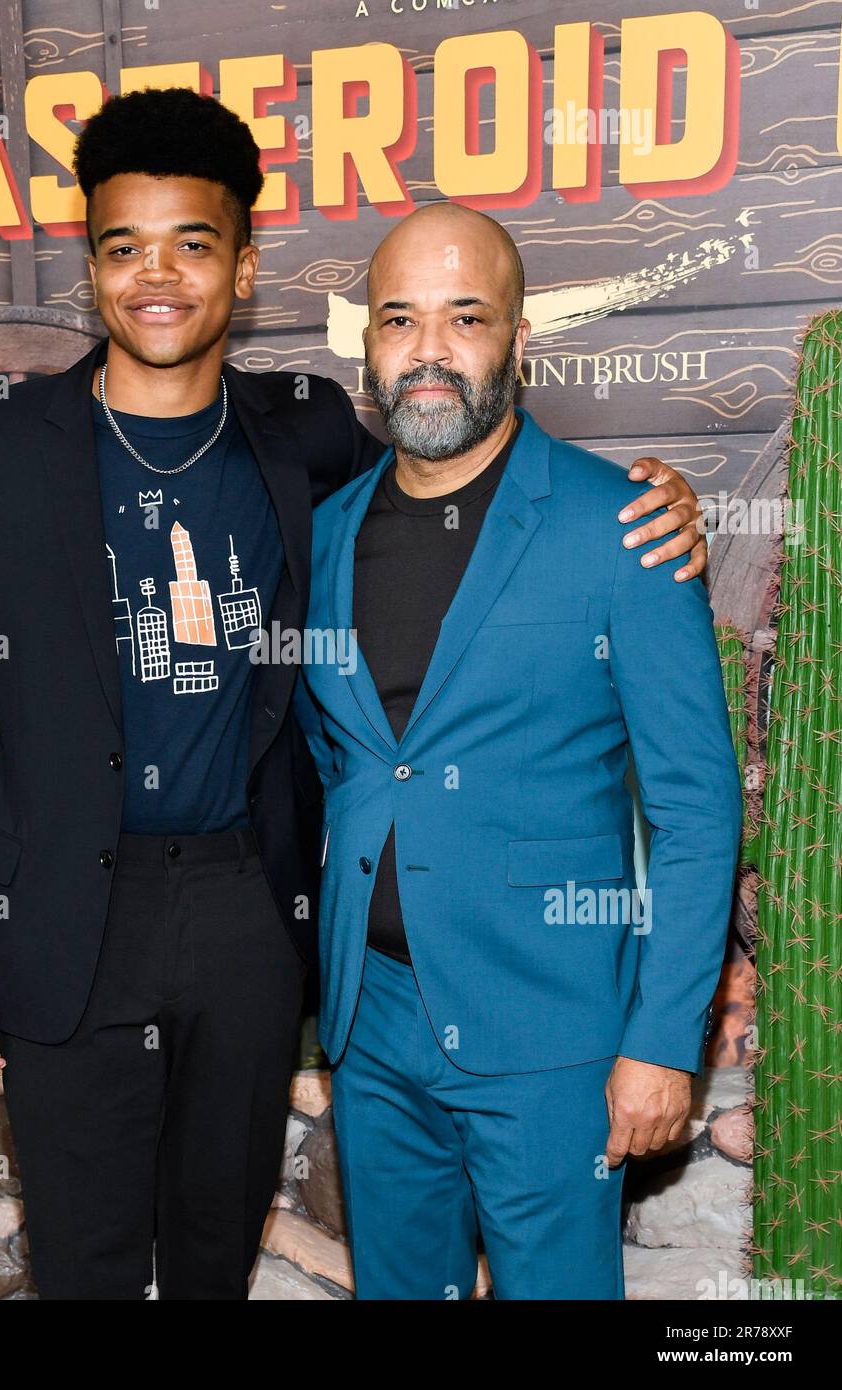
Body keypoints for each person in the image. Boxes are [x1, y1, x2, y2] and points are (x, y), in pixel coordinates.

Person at [0, 88, 710, 1301]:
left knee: (219, 1251)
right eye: (123, 247)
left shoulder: (305, 437)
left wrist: (659, 502)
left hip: (255, 925)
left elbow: (463, 491)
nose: (155, 276)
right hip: (74, 922)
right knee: (83, 1264)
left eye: (191, 244)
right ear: (90, 268)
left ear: (245, 269)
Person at [293, 202, 743, 1300]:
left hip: (552, 1036)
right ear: (366, 344)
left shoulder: (618, 525)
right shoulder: (322, 533)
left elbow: (695, 807)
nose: (429, 350)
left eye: (465, 317)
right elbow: (332, 760)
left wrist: (661, 1041)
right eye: (398, 319)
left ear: (518, 340)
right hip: (371, 1024)